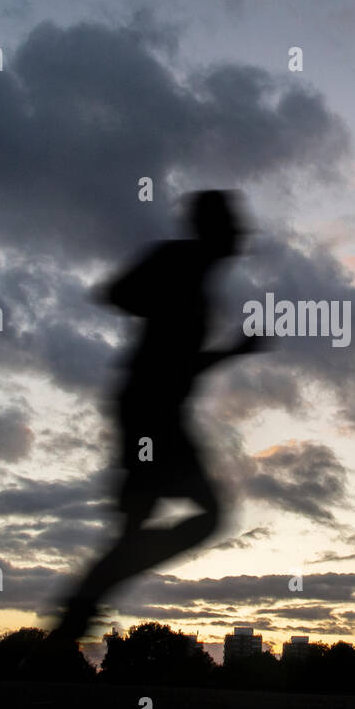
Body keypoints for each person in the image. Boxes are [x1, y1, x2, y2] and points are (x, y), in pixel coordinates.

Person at [45, 190, 264, 648]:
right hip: (150, 412)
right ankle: (80, 612)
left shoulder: (201, 285)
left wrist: (231, 352)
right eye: (231, 227)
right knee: (200, 516)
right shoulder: (178, 261)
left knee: (153, 526)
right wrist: (165, 302)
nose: (239, 238)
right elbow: (114, 292)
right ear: (213, 230)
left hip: (160, 411)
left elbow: (183, 363)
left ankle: (72, 624)